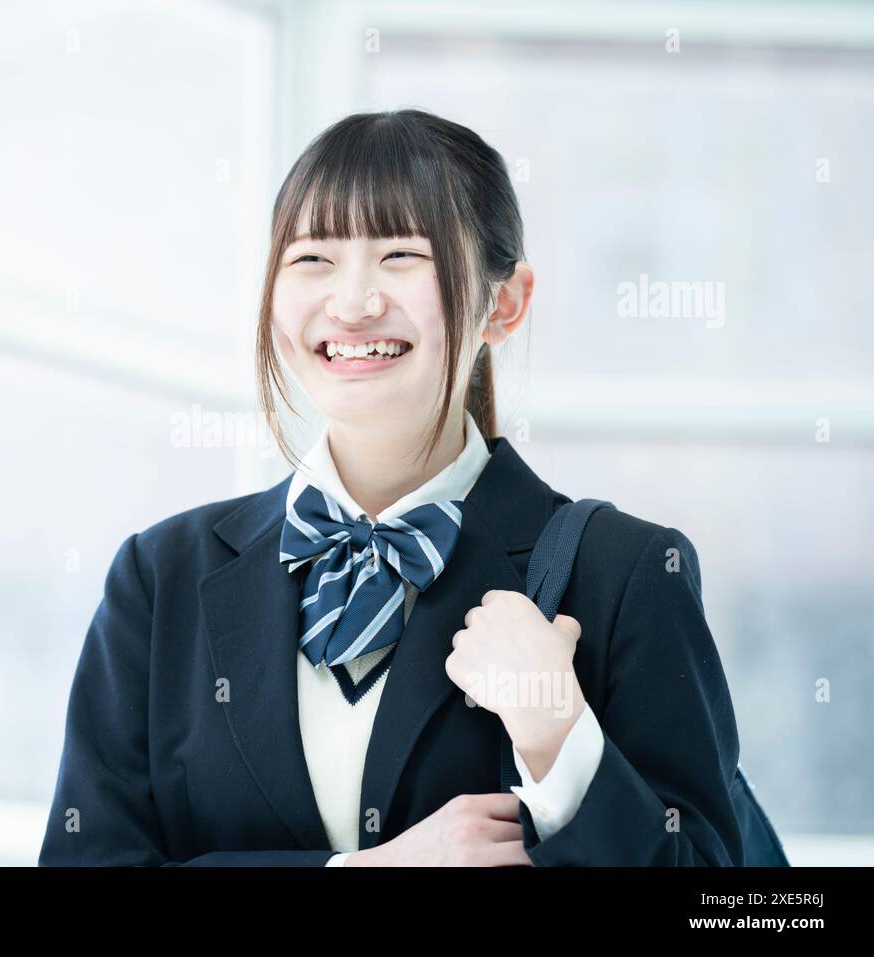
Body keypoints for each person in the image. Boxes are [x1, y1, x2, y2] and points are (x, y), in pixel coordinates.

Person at [37, 109, 744, 866]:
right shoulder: (160, 578)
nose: (352, 301)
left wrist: (562, 736)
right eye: (313, 259)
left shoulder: (625, 575)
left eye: (402, 254)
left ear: (503, 303)